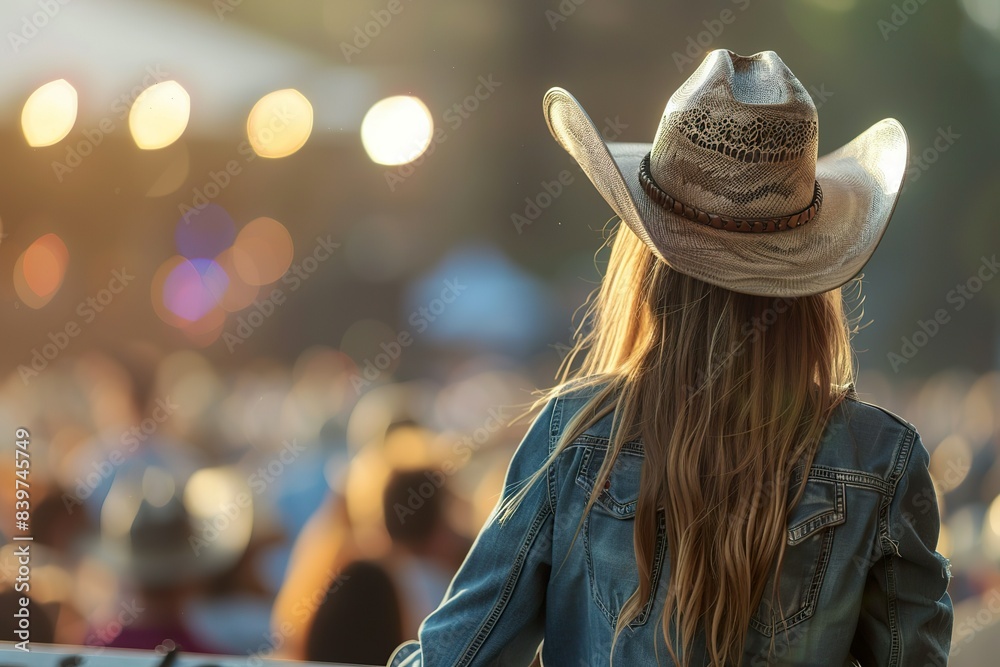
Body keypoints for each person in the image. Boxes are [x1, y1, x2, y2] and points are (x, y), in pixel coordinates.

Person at [387, 50, 954, 666]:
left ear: (650, 270)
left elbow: (456, 659)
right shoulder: (880, 460)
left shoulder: (573, 436)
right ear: (810, 284)